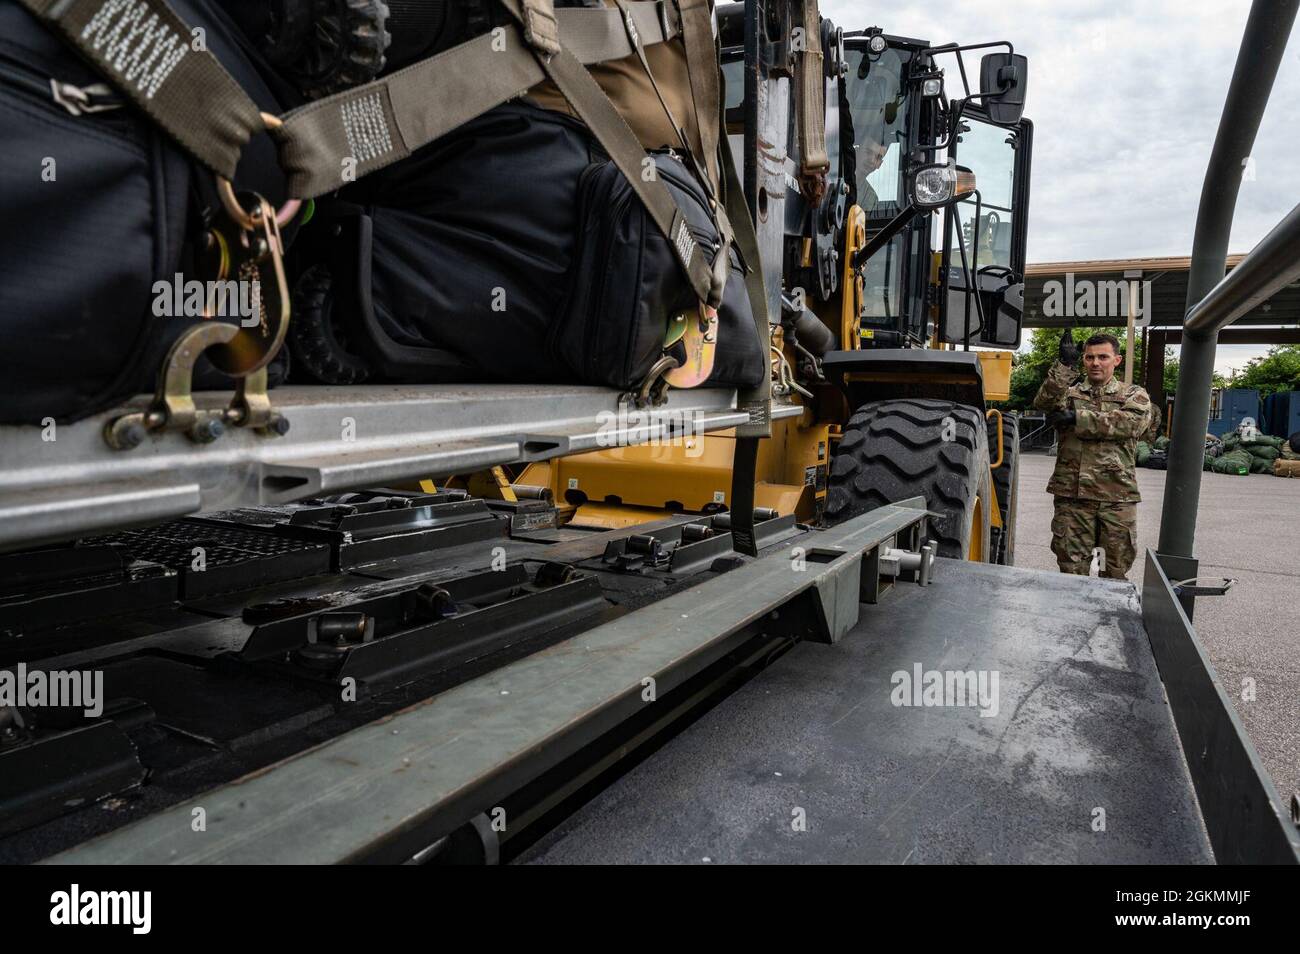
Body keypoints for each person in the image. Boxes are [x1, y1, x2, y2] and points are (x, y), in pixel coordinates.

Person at [1032, 331, 1155, 579]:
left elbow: (1131, 424)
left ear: (1116, 360)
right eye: (1089, 357)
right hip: (1073, 497)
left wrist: (1078, 418)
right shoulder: (1069, 393)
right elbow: (1044, 402)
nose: (1095, 363)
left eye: (1103, 357)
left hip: (1116, 497)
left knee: (1115, 569)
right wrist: (1065, 366)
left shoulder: (1133, 394)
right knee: (1071, 571)